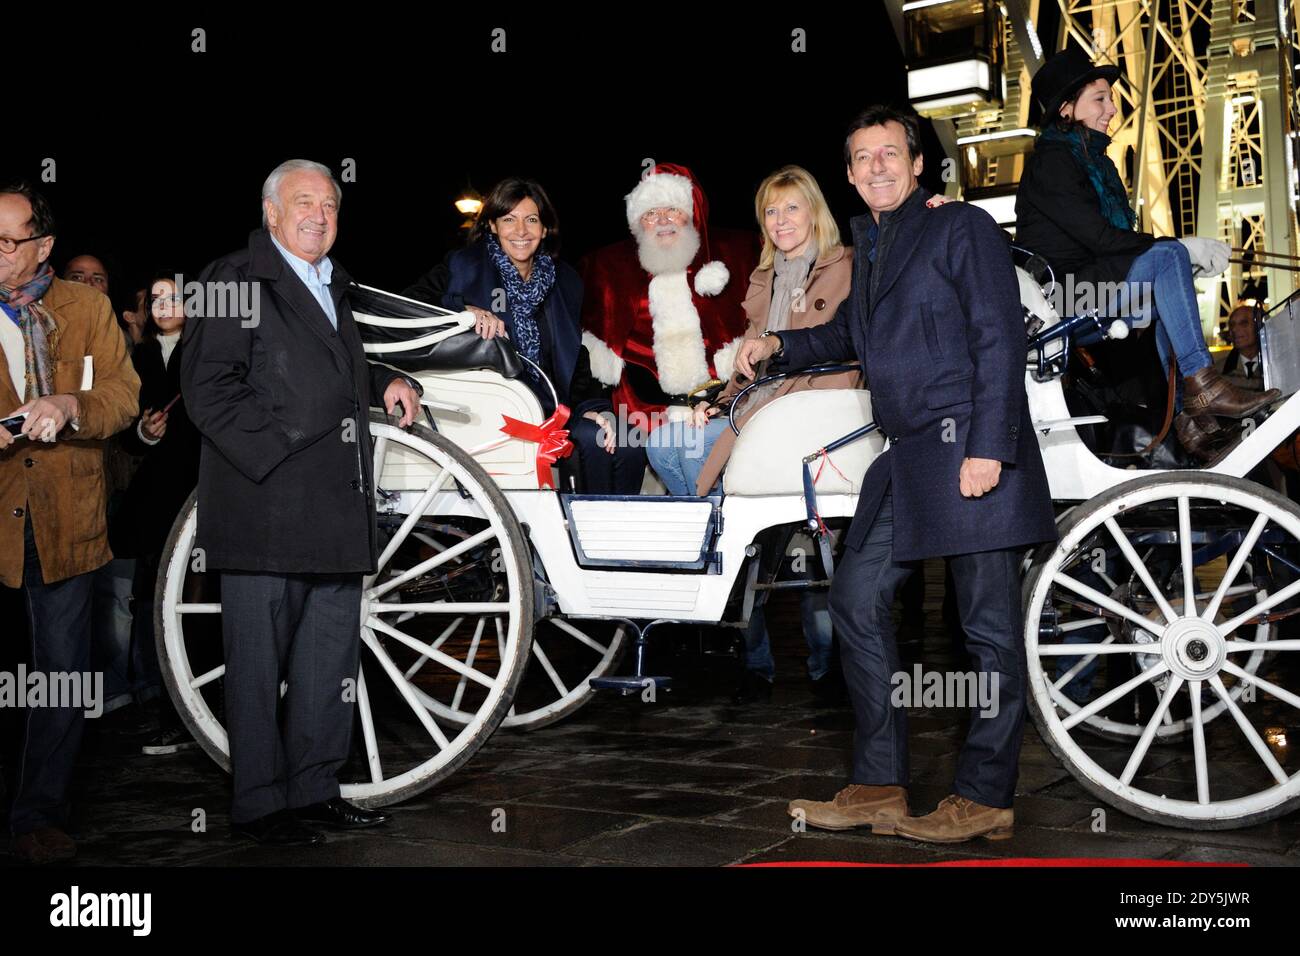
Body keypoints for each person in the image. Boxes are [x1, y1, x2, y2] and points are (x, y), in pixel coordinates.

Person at [739, 106, 1058, 843]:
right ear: (849, 174)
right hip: (907, 457)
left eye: (891, 154)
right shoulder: (874, 247)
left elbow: (997, 335)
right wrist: (775, 345)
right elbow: (845, 335)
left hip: (970, 446)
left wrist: (990, 447)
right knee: (854, 597)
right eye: (863, 157)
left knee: (987, 630)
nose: (878, 166)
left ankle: (984, 797)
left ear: (918, 165)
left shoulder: (961, 227)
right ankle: (881, 783)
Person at [181, 159, 422, 846]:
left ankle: (315, 789)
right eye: (303, 202)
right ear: (271, 215)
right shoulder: (232, 278)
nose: (318, 214)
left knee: (327, 661)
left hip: (335, 510)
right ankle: (259, 806)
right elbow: (208, 389)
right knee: (257, 665)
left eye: (330, 203)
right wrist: (284, 449)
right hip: (266, 507)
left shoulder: (331, 283)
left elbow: (333, 368)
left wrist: (385, 381)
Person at [644, 165, 858, 702]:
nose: (781, 220)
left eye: (792, 208)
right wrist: (710, 402)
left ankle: (824, 669)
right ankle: (752, 654)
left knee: (805, 555)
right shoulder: (765, 277)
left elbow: (842, 341)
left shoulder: (846, 265)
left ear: (814, 211)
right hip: (762, 408)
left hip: (813, 414)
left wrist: (770, 354)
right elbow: (746, 366)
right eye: (771, 210)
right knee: (665, 442)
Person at [1015, 46, 1278, 459]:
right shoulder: (1052, 163)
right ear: (1066, 110)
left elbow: (1113, 247)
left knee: (1167, 286)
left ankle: (1188, 419)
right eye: (1099, 99)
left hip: (1089, 285)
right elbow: (1102, 239)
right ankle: (1204, 386)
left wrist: (1175, 256)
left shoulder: (1094, 163)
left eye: (1111, 98)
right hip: (1061, 299)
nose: (1113, 109)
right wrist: (1179, 248)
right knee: (1168, 258)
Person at [0, 181, 140, 863]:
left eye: (7, 241)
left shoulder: (87, 307)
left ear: (43, 245)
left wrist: (69, 404)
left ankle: (38, 815)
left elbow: (122, 395)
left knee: (59, 678)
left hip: (67, 524)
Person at [404, 177, 641, 493]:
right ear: (492, 225)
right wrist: (464, 310)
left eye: (531, 220)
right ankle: (584, 535)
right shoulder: (463, 267)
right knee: (591, 443)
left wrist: (597, 410)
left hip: (554, 409)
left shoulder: (565, 282)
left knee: (626, 442)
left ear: (545, 229)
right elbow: (409, 305)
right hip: (489, 413)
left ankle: (617, 535)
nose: (520, 231)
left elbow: (574, 361)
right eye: (508, 219)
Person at [580, 164, 756, 480]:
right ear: (638, 224)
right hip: (642, 416)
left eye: (673, 210)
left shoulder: (733, 264)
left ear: (691, 215)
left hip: (720, 409)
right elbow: (592, 361)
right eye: (651, 214)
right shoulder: (613, 276)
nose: (662, 221)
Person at [110, 271, 202, 755]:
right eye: (155, 299)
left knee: (200, 606)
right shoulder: (137, 358)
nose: (165, 305)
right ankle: (171, 715)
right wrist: (145, 432)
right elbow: (125, 433)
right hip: (157, 500)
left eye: (175, 296)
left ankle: (207, 714)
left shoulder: (207, 350)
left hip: (204, 493)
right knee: (155, 608)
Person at [1215, 304, 1265, 391]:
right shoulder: (1217, 371)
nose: (1234, 329)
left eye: (1244, 323)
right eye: (1232, 325)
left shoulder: (1277, 366)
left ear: (1260, 326)